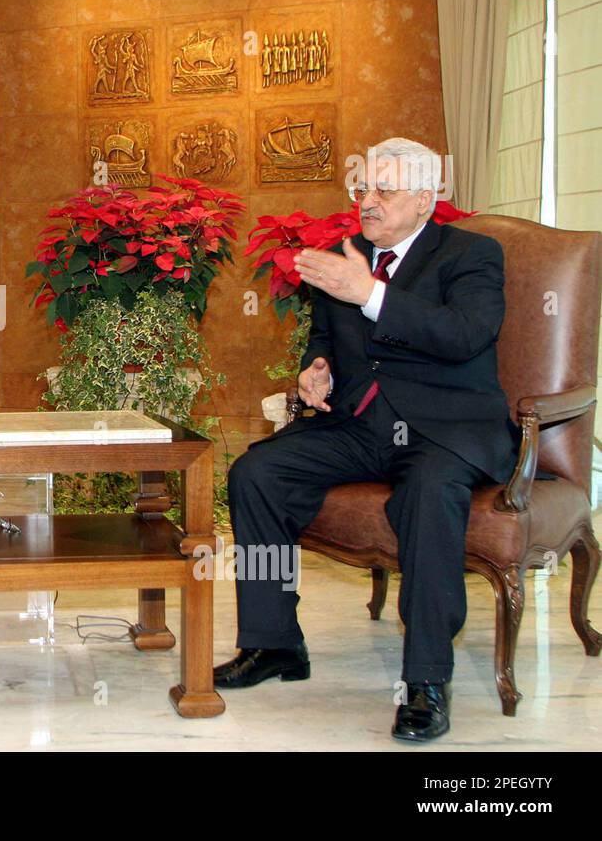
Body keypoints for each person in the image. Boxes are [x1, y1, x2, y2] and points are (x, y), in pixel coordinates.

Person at [216, 137, 518, 742]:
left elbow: (466, 335)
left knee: (430, 495)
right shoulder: (343, 256)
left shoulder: (471, 255)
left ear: (426, 199)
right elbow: (325, 338)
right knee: (256, 474)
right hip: (358, 424)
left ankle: (427, 682)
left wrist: (371, 295)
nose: (367, 202)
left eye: (383, 190)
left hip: (442, 428)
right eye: (362, 190)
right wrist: (315, 369)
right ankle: (273, 643)